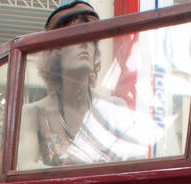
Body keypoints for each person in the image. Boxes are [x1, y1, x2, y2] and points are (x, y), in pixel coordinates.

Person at [17, 1, 152, 168]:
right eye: (76, 39)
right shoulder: (33, 113)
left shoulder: (115, 108)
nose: (85, 45)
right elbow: (23, 167)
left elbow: (138, 165)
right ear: (56, 51)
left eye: (91, 41)